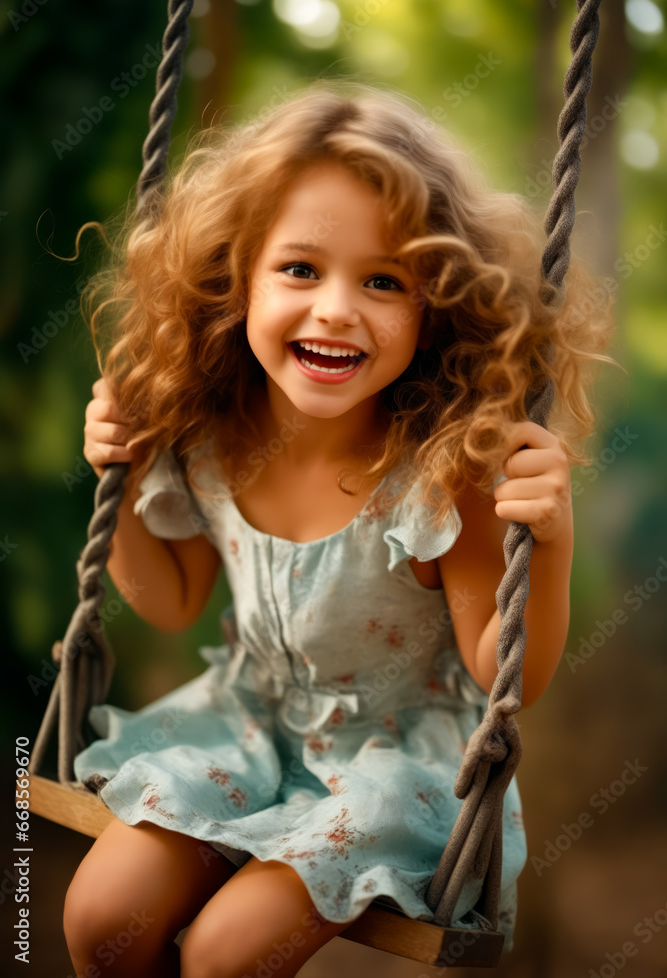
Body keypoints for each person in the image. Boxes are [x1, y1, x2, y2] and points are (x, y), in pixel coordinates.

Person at [62, 79, 617, 978]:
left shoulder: (442, 473)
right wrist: (118, 488)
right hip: (242, 726)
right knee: (99, 921)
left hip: (390, 766)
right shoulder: (214, 436)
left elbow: (502, 671)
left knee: (222, 958)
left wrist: (544, 545)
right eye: (299, 269)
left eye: (383, 281)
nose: (334, 308)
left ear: (433, 309)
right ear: (236, 277)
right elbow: (171, 599)